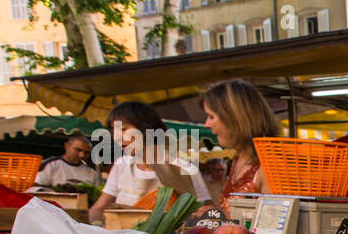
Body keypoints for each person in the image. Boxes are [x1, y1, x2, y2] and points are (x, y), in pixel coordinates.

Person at [88, 102, 210, 223]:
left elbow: (206, 211)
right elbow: (98, 208)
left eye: (123, 129)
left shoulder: (185, 169)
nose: (116, 137)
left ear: (146, 129)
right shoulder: (121, 165)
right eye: (114, 131)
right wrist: (97, 225)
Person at [201, 79, 281, 210]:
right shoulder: (238, 160)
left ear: (233, 118)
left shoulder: (271, 166)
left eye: (211, 117)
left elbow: (272, 224)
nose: (206, 125)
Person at [32, 133, 97, 187]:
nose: (82, 155)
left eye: (87, 152)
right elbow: (37, 187)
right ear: (66, 146)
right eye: (78, 150)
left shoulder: (92, 172)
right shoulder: (51, 165)